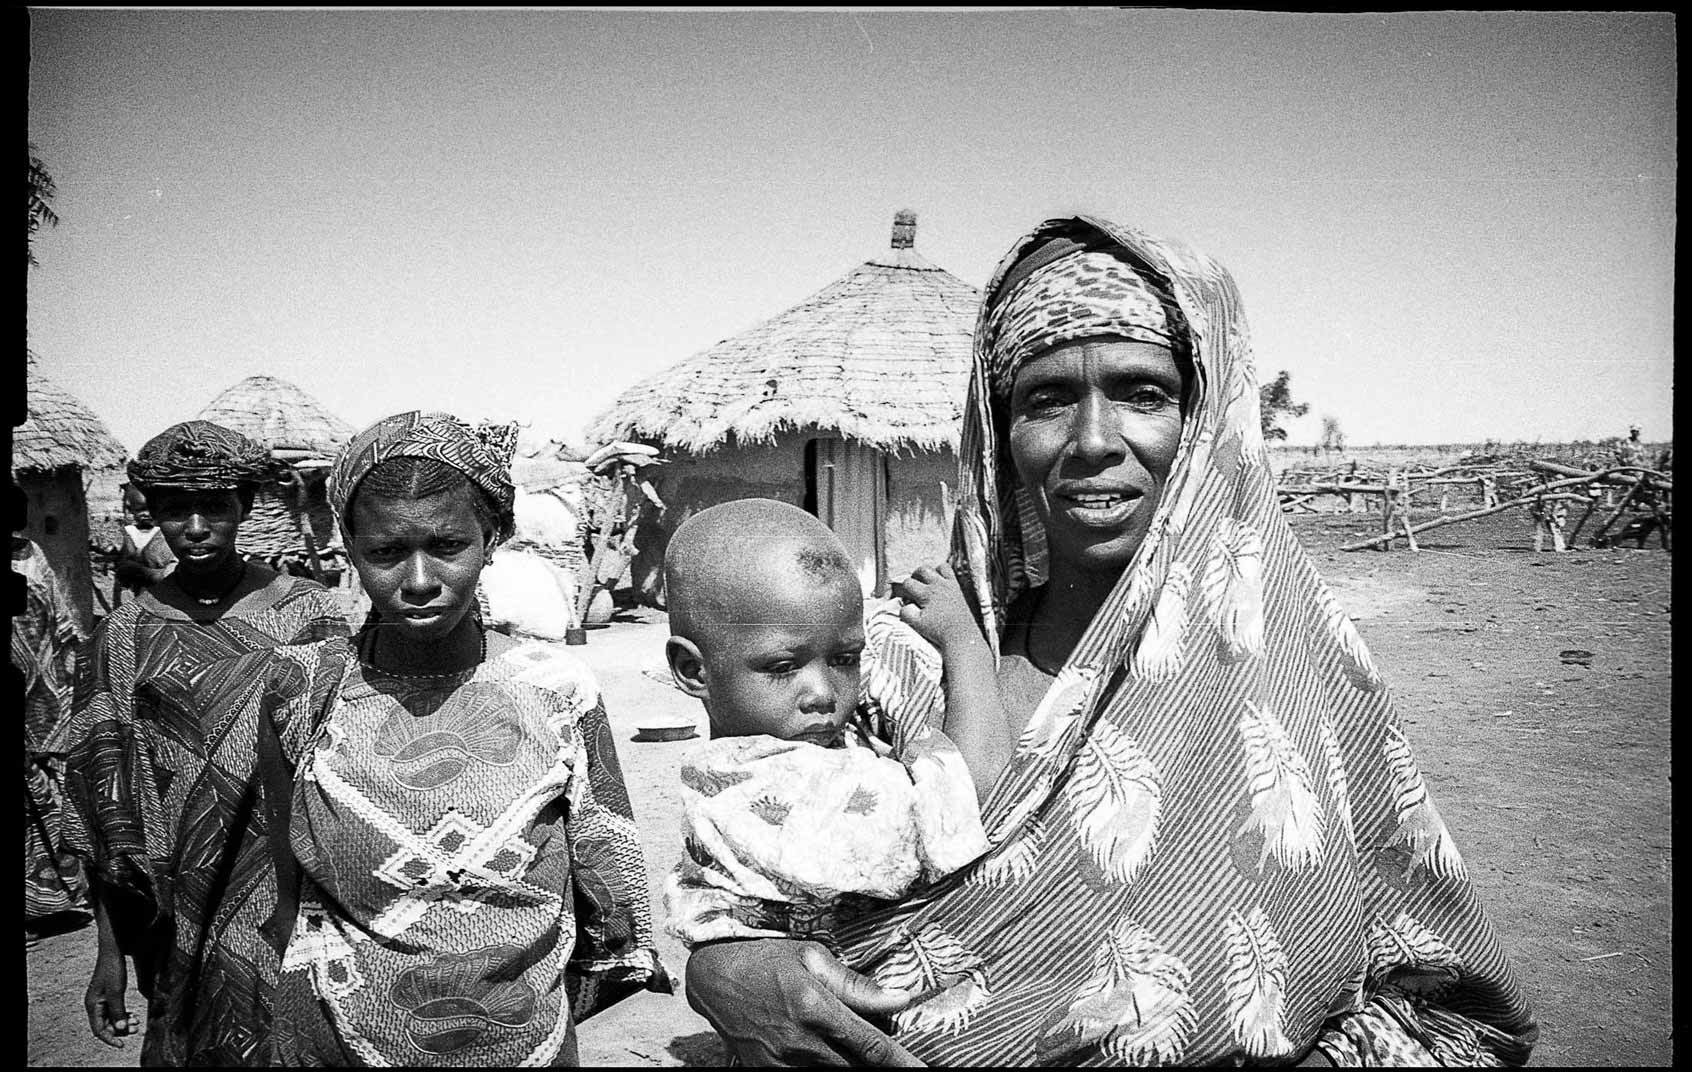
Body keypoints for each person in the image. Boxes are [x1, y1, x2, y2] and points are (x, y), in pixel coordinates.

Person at [681, 215, 1538, 1066]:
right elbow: (753, 865)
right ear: (999, 433)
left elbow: (1449, 1015)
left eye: (1143, 393)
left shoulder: (1307, 677)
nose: (1093, 441)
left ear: (1208, 424)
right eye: (1046, 400)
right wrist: (723, 970)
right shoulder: (894, 660)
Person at [140, 411, 670, 1066]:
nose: (419, 580)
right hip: (339, 1036)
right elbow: (284, 888)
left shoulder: (558, 689)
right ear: (351, 546)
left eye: (448, 546)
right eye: (386, 553)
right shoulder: (301, 689)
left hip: (525, 1043)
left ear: (493, 535)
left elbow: (606, 887)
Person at [59, 420, 350, 1065]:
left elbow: (346, 771)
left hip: (295, 892)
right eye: (173, 508)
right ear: (150, 512)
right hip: (176, 911)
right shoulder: (123, 634)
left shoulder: (312, 615)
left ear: (245, 506)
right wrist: (108, 952)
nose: (195, 526)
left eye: (214, 505)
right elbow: (104, 807)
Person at [659, 499, 998, 951]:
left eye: (845, 659)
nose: (823, 693)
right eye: (782, 666)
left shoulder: (732, 762)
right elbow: (970, 787)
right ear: (694, 671)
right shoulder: (769, 782)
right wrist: (964, 643)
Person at [16, 536, 92, 935]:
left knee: (56, 792)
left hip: (47, 695)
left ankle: (61, 896)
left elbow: (61, 620)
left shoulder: (30, 553)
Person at [112, 482, 177, 606]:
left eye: (150, 509)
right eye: (140, 510)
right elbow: (126, 558)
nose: (146, 514)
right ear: (132, 510)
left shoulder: (162, 531)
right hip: (136, 585)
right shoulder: (130, 531)